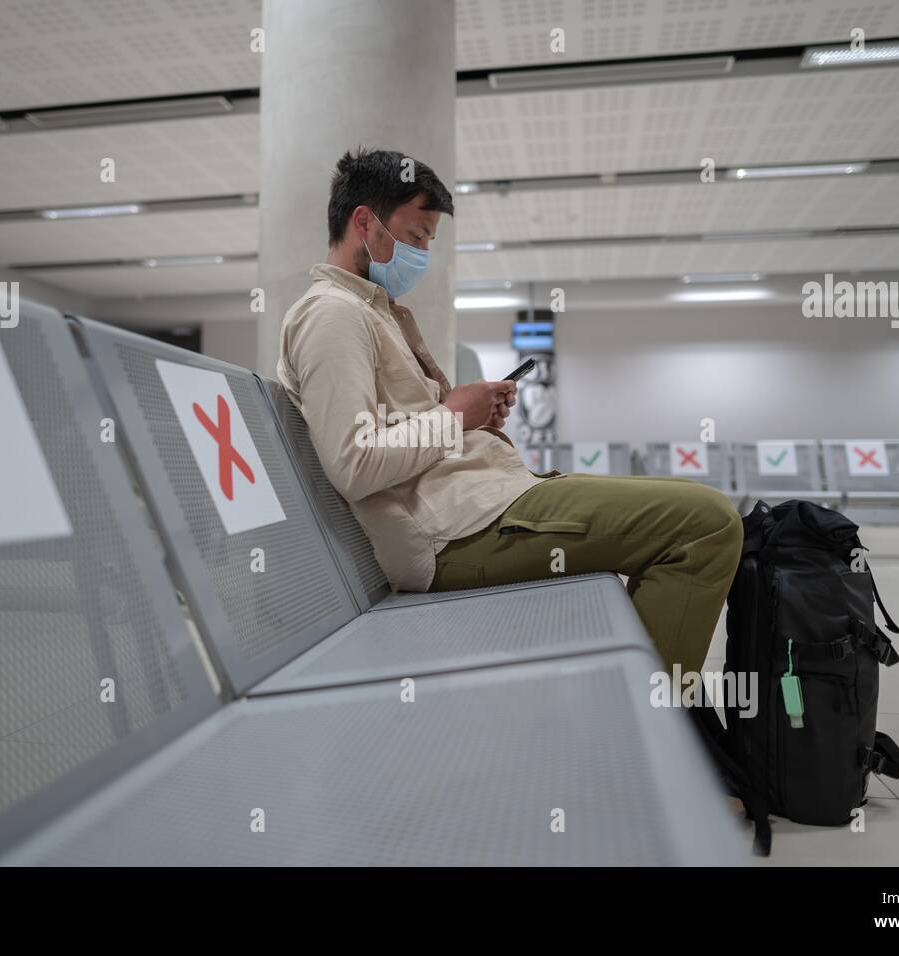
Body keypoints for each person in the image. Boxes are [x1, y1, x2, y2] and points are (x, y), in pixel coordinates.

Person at [277, 147, 741, 674]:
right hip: (456, 534)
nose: (424, 253)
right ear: (365, 222)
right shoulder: (331, 315)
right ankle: (658, 733)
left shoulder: (372, 312)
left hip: (484, 505)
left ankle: (649, 711)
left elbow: (403, 431)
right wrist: (456, 417)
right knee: (706, 523)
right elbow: (354, 464)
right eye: (415, 236)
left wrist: (466, 416)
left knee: (694, 506)